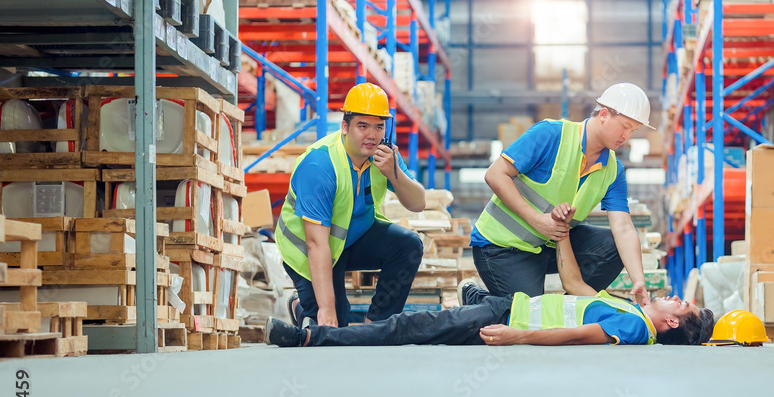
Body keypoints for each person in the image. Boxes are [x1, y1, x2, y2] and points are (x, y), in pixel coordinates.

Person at [266, 203, 715, 348]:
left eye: (680, 303)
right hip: (513, 306)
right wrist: (560, 236)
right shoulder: (631, 309)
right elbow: (577, 289)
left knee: (413, 327)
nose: (675, 296)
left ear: (673, 322)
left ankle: (312, 338)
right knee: (430, 320)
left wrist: (520, 339)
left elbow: (578, 333)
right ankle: (473, 295)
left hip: (508, 323)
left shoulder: (635, 326)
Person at [469, 82, 656, 306]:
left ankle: (571, 309)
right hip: (501, 247)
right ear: (604, 114)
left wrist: (639, 280)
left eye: (633, 131)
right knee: (525, 317)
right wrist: (537, 220)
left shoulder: (614, 170)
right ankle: (475, 297)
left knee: (613, 245)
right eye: (625, 126)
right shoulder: (550, 134)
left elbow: (624, 228)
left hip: (547, 246)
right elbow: (495, 174)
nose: (626, 136)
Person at [275, 82, 426, 328]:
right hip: (308, 247)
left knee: (408, 245)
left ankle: (376, 325)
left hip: (350, 239)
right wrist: (326, 308)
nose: (372, 135)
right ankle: (301, 307)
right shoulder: (320, 164)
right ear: (345, 126)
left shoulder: (384, 156)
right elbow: (316, 243)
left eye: (379, 126)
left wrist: (394, 172)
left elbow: (418, 203)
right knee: (333, 324)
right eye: (362, 126)